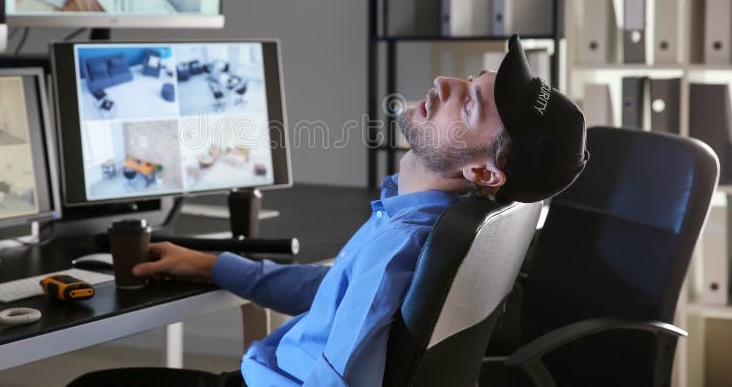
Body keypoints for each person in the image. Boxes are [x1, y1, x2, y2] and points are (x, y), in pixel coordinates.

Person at [68, 35, 588, 387]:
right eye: (472, 80)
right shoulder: (414, 220)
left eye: (468, 104)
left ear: (482, 174)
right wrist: (213, 264)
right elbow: (337, 296)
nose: (445, 86)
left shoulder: (399, 250)